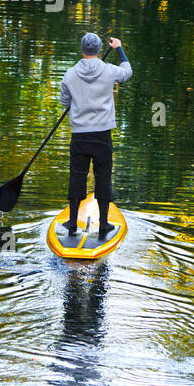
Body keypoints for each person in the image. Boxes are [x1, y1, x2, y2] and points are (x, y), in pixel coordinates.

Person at [59, 33, 132, 240]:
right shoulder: (109, 70)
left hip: (80, 136)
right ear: (99, 49)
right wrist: (118, 48)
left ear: (82, 49)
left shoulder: (70, 74)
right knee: (103, 177)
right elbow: (127, 72)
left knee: (76, 176)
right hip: (102, 136)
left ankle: (72, 223)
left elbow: (65, 101)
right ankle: (104, 225)